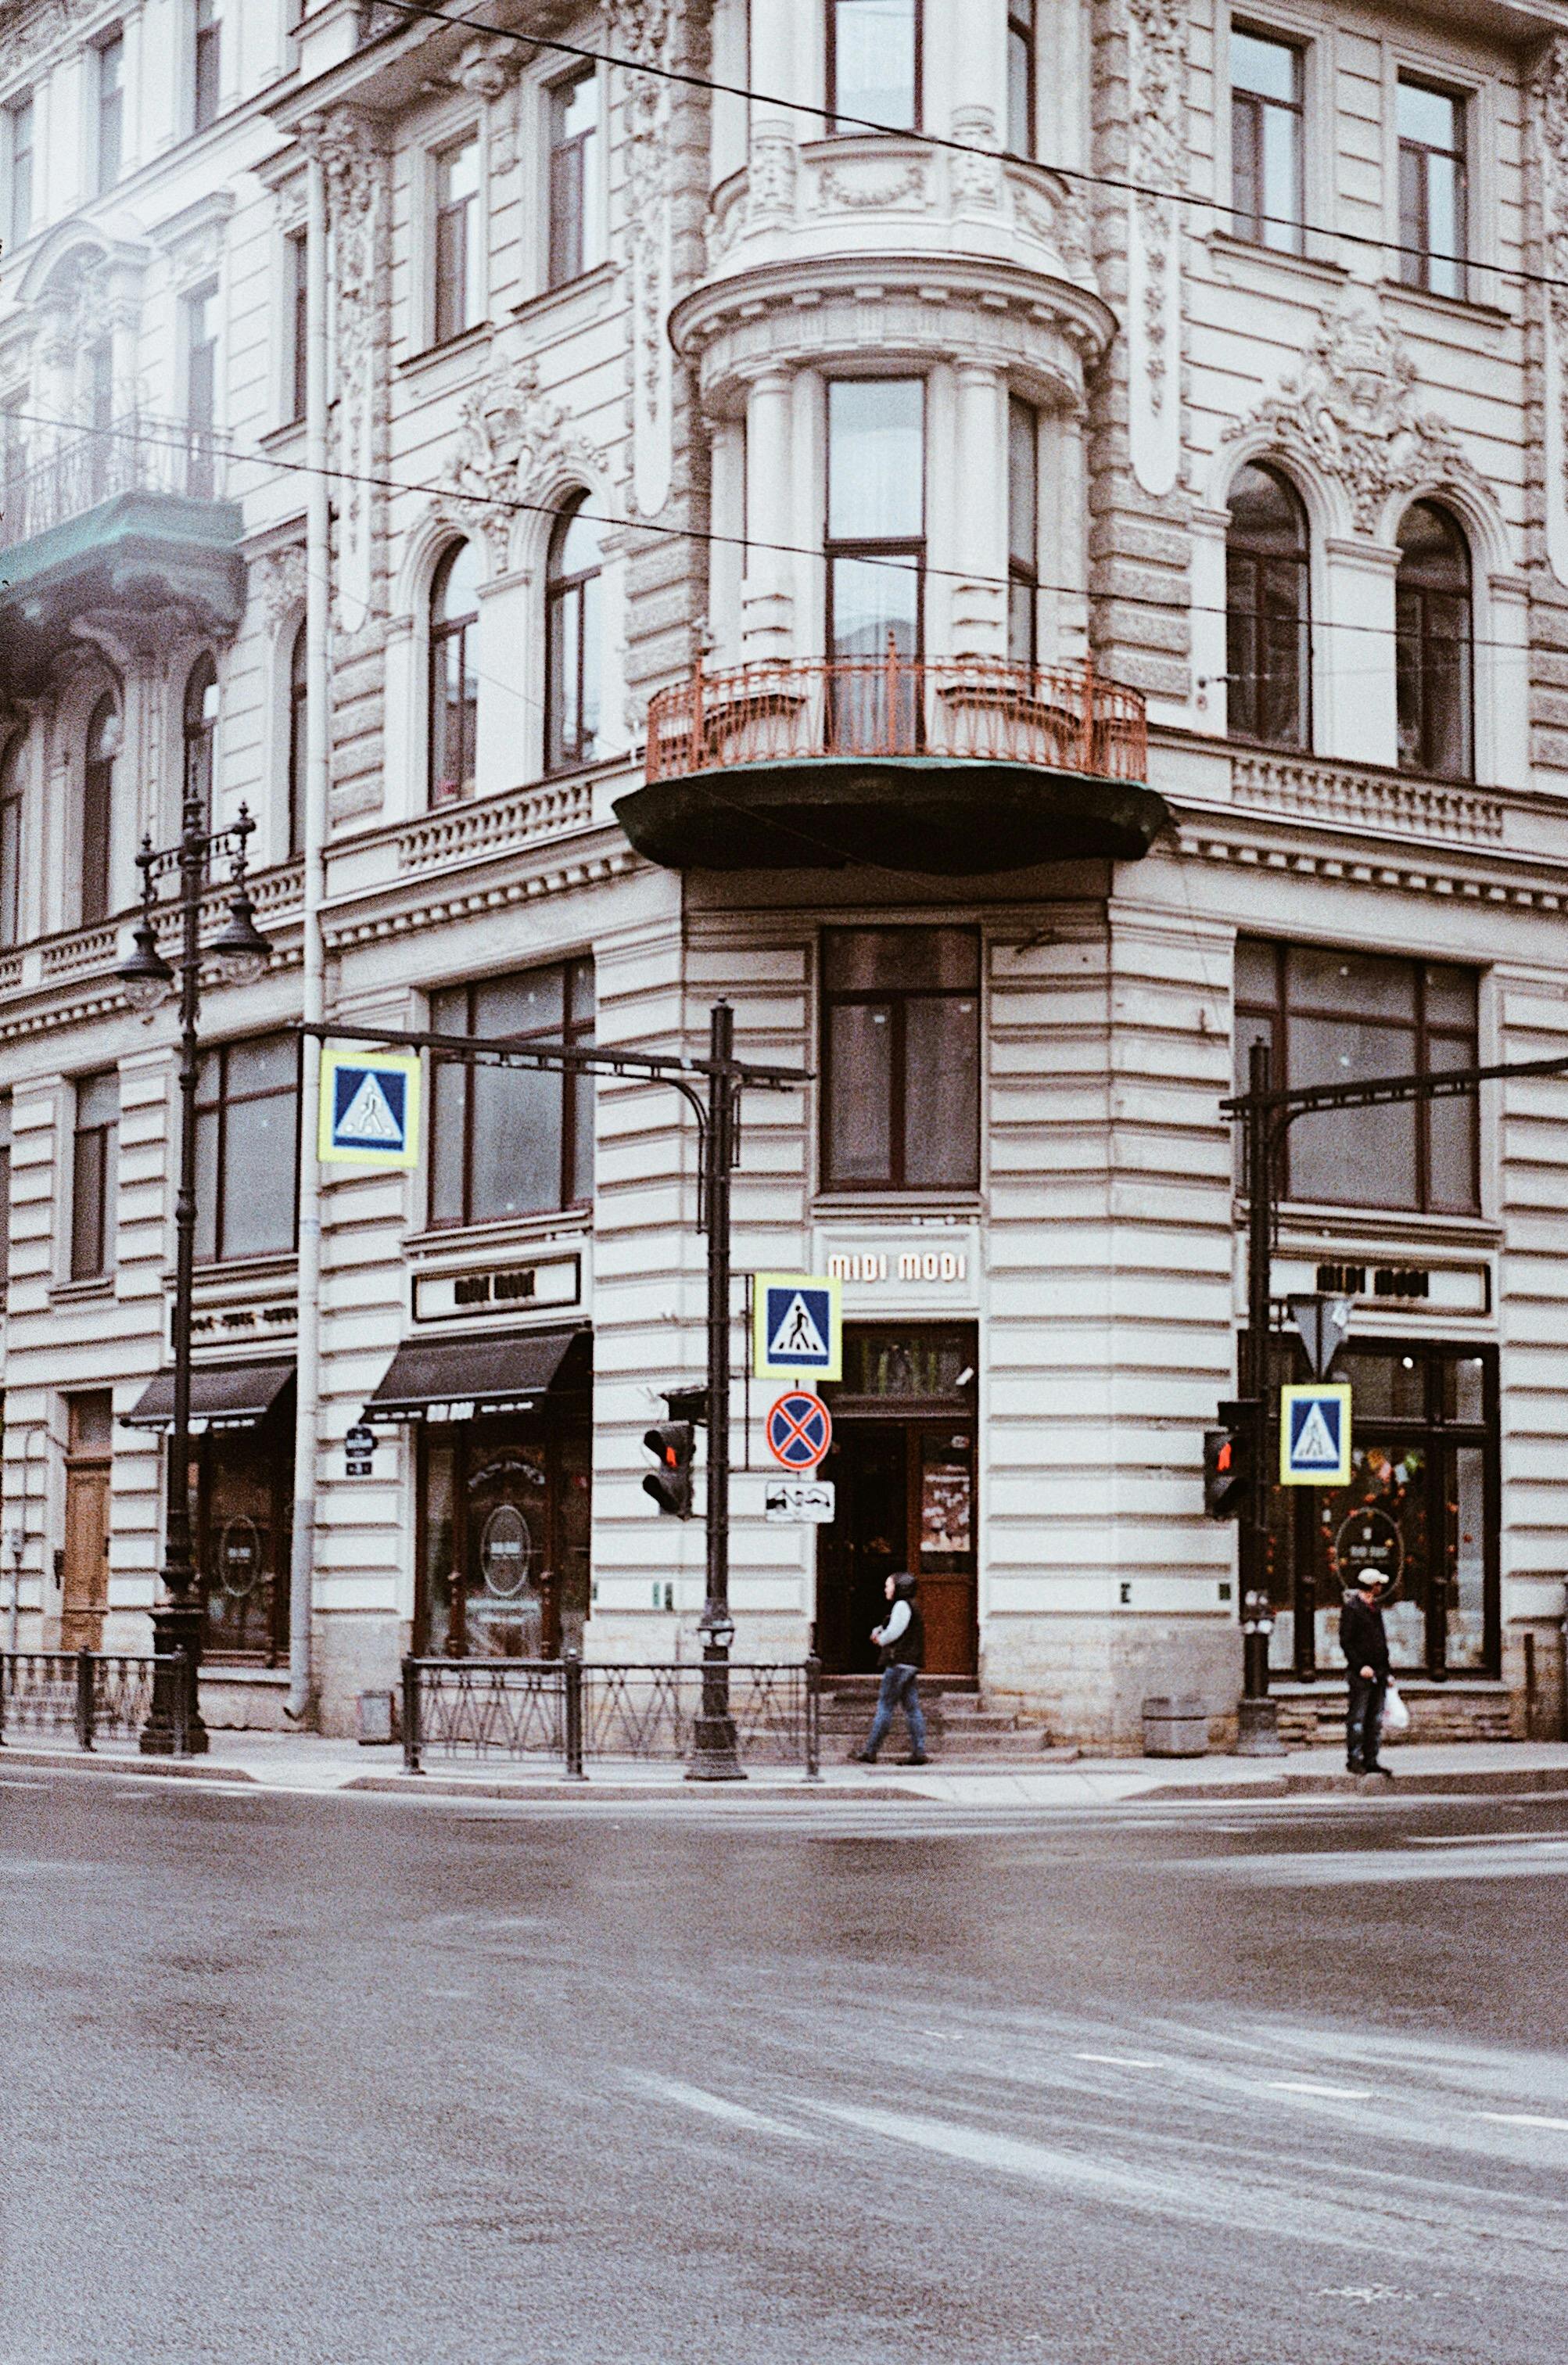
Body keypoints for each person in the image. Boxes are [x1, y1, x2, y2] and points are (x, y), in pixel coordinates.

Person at [856, 1572, 928, 1766]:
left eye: (889, 1585)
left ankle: (870, 1751)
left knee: (885, 1706)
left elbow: (894, 1632)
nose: (886, 1589)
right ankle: (919, 1751)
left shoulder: (902, 1606)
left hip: (899, 1664)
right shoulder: (910, 1606)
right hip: (909, 1664)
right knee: (912, 1708)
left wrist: (880, 1639)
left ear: (899, 1587)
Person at [1341, 1570, 1394, 1778]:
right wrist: (1359, 1665)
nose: (1381, 1588)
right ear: (1372, 1586)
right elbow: (1346, 1641)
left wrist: (1387, 1672)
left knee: (1376, 1719)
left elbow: (1382, 1642)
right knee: (1358, 1718)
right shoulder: (1352, 1609)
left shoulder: (1374, 1609)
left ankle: (1371, 1759)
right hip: (1361, 1674)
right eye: (1378, 1584)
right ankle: (1354, 1759)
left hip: (1379, 1672)